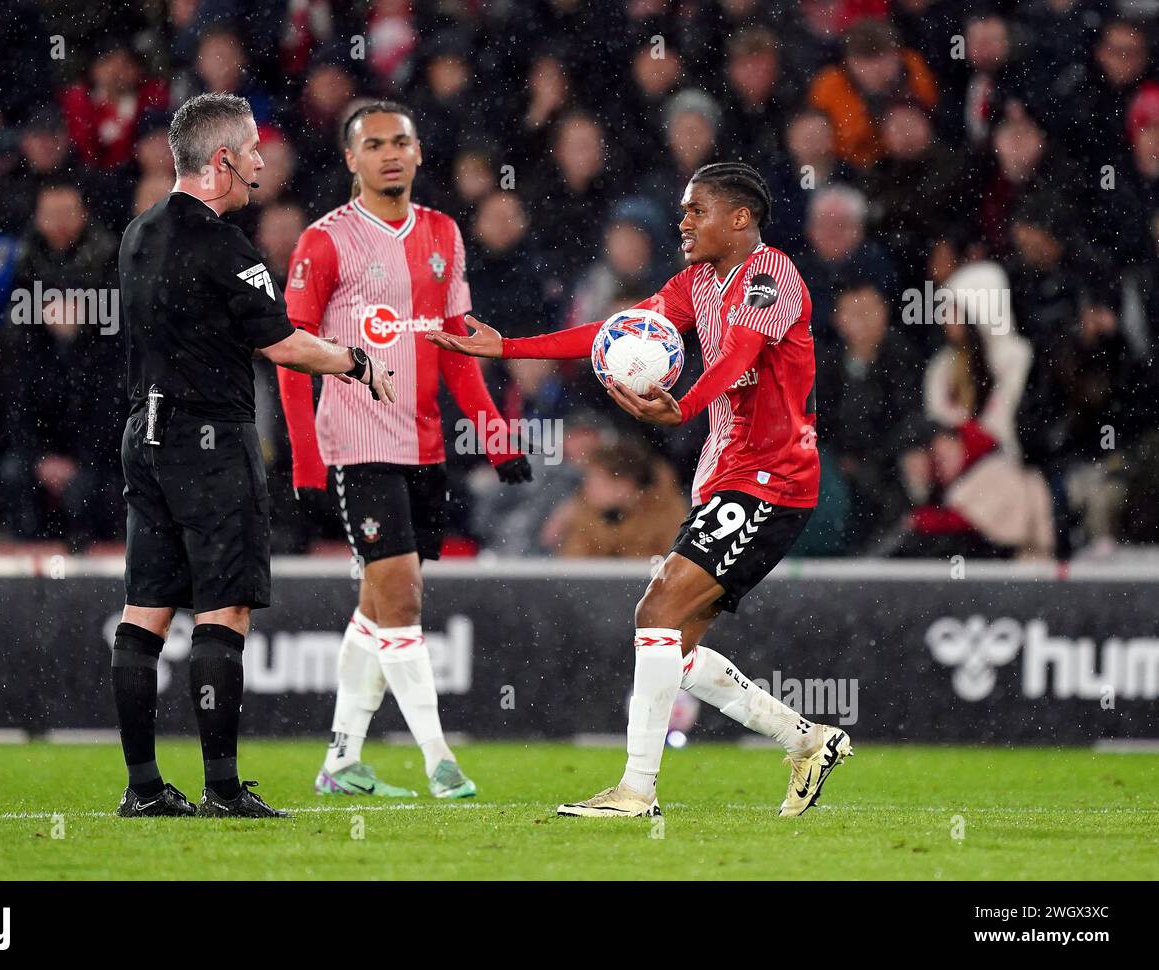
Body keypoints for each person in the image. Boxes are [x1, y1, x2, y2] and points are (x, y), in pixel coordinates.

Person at [430, 162, 852, 819]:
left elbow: (739, 355)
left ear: (740, 219)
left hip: (773, 479)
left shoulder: (771, 276)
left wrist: (682, 408)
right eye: (682, 212)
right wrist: (508, 346)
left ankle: (636, 791)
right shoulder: (697, 283)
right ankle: (807, 740)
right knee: (673, 646)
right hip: (729, 479)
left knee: (655, 614)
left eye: (697, 211)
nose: (683, 224)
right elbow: (613, 334)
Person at [112, 93, 394, 819]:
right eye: (253, 150)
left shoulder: (136, 234)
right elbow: (282, 344)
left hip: (142, 437)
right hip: (209, 442)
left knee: (144, 611)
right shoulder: (225, 247)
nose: (264, 162)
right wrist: (356, 362)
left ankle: (144, 787)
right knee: (225, 607)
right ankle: (223, 788)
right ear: (223, 161)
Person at [277, 100, 530, 800]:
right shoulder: (324, 243)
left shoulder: (444, 233)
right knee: (404, 597)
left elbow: (456, 348)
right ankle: (439, 760)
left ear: (418, 154)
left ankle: (340, 760)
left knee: (378, 604)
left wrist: (494, 434)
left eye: (401, 142)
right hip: (357, 445)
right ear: (351, 160)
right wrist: (303, 458)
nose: (390, 153)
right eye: (374, 144)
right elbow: (292, 355)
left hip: (424, 446)